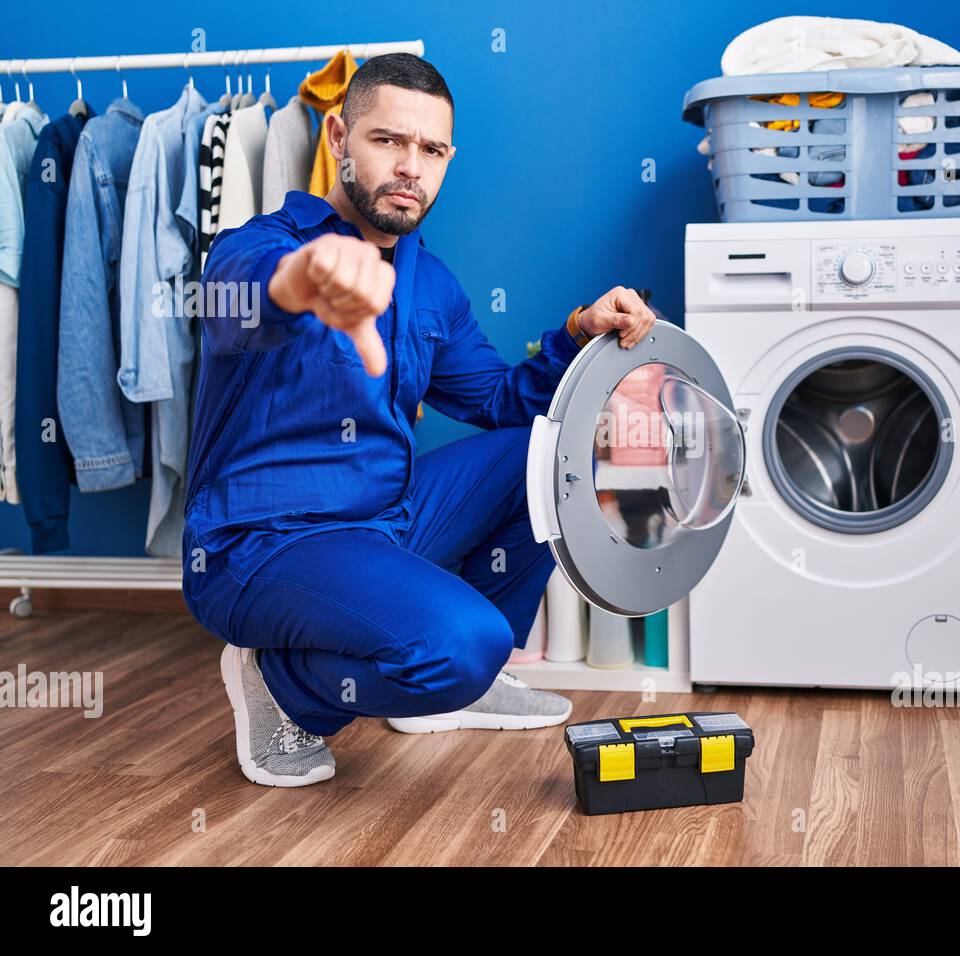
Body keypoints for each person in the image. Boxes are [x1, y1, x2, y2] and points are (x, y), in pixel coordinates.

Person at [182, 53, 654, 787]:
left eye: (430, 150)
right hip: (262, 547)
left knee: (550, 450)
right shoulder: (260, 245)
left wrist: (578, 330)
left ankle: (469, 675)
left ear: (447, 159)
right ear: (338, 136)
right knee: (457, 646)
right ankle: (284, 688)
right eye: (387, 141)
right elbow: (235, 303)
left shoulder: (429, 282)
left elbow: (501, 400)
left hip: (387, 522)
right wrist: (300, 283)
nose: (410, 167)